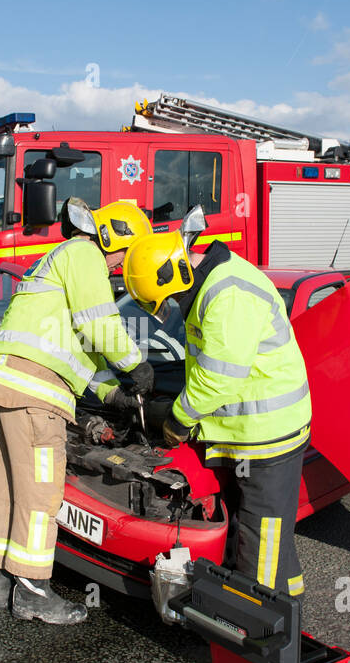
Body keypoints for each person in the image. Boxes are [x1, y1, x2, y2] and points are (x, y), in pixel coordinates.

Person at [0, 198, 153, 623]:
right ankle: (33, 592)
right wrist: (136, 365)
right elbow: (101, 325)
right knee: (39, 492)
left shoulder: (57, 261)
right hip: (35, 394)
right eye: (128, 254)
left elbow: (75, 351)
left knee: (7, 486)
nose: (122, 266)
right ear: (114, 238)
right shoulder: (85, 254)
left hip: (3, 384)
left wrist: (113, 396)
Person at [122, 223, 310, 597]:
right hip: (253, 434)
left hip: (267, 438)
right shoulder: (216, 282)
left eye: (170, 298)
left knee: (260, 545)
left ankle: (261, 635)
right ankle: (290, 609)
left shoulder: (228, 295)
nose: (173, 305)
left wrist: (180, 418)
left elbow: (218, 377)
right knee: (267, 536)